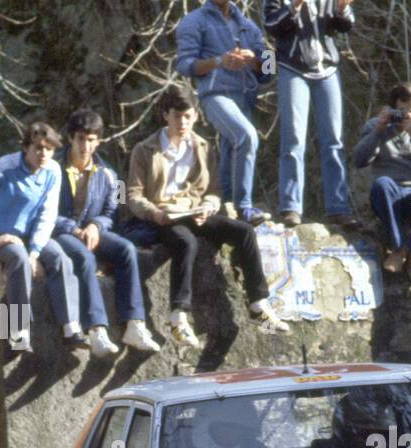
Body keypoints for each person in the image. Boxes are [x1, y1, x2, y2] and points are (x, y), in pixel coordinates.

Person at [119, 84, 288, 347]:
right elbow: (132, 195)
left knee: (243, 231)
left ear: (196, 116)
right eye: (177, 116)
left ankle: (258, 304)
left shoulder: (203, 147)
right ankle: (178, 317)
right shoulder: (144, 149)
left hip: (195, 211)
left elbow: (213, 191)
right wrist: (154, 213)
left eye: (188, 116)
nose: (183, 123)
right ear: (166, 115)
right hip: (163, 214)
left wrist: (207, 207)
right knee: (185, 242)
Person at [0, 121, 82, 354]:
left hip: (31, 236)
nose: (43, 154)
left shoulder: (53, 171)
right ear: (25, 147)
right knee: (18, 258)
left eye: (49, 149)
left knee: (60, 258)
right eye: (38, 148)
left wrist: (35, 252)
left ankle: (70, 327)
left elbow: (48, 214)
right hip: (1, 237)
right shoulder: (5, 167)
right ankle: (19, 331)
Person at [53, 108, 158, 358]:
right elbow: (41, 209)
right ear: (70, 138)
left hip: (93, 231)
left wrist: (96, 226)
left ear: (98, 141)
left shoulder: (111, 174)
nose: (85, 146)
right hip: (60, 232)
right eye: (80, 139)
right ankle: (96, 329)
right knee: (84, 257)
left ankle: (134, 323)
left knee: (126, 249)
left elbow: (114, 210)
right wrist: (72, 228)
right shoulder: (52, 168)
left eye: (91, 140)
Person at [175, 0, 272, 226]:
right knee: (246, 136)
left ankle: (225, 205)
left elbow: (271, 68)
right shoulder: (193, 21)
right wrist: (219, 61)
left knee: (231, 149)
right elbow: (184, 65)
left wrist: (255, 61)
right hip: (214, 95)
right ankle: (244, 207)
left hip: (245, 97)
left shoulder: (248, 25)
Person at [264, 0, 358, 227]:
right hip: (292, 67)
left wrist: (342, 9)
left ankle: (338, 207)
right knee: (293, 138)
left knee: (334, 140)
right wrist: (294, 6)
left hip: (327, 69)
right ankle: (291, 206)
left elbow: (345, 26)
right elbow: (271, 25)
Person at [353, 82, 411, 282]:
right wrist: (378, 131)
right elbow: (359, 160)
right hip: (389, 193)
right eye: (401, 111)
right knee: (382, 184)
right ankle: (399, 248)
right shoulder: (376, 125)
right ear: (392, 109)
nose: (406, 116)